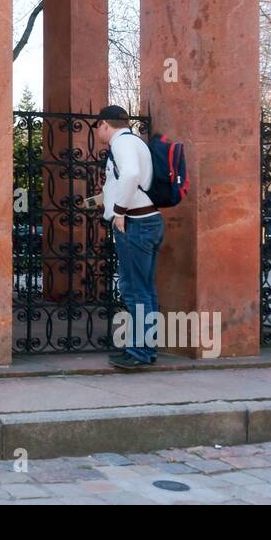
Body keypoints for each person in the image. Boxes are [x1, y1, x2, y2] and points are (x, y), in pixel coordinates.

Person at [95, 105, 163, 370]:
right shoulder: (135, 142)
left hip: (136, 223)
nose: (99, 133)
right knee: (144, 289)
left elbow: (132, 175)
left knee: (134, 289)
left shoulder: (121, 143)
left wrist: (119, 211)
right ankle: (146, 349)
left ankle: (139, 352)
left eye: (98, 128)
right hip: (148, 221)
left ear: (104, 124)